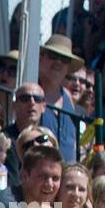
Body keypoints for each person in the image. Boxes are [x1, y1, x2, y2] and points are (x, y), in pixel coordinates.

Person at [38, 34, 83, 163]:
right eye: (52, 56)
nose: (58, 62)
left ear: (68, 66)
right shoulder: (32, 93)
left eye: (64, 59)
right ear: (41, 58)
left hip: (67, 172)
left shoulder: (68, 97)